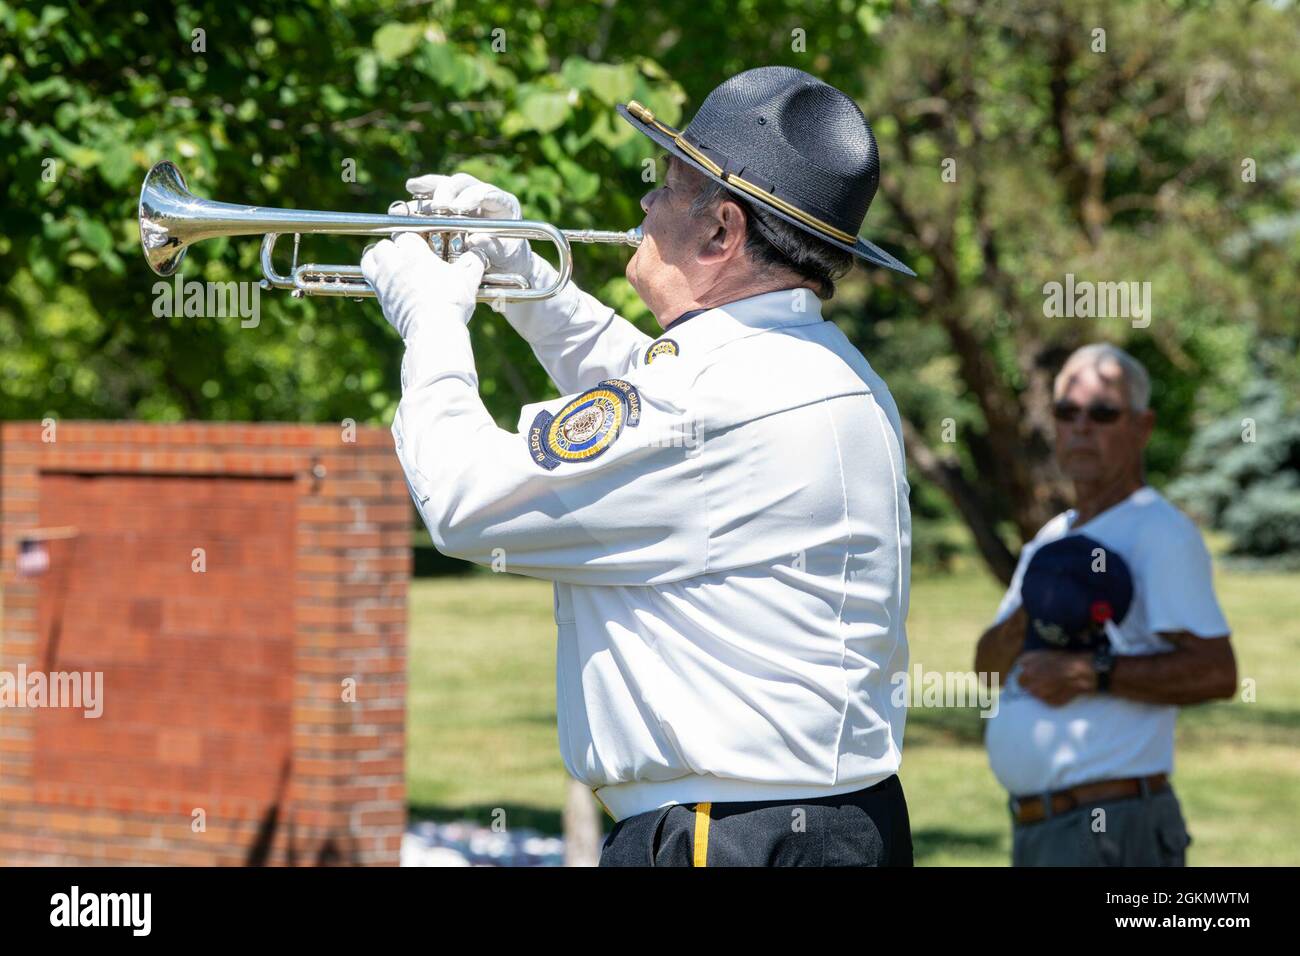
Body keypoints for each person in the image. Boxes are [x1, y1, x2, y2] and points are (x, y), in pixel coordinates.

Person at [362, 66, 916, 866]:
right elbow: (647, 400)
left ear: (722, 232)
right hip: (820, 822)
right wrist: (526, 278)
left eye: (666, 184)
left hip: (720, 837)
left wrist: (429, 323)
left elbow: (463, 503)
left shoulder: (712, 398)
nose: (646, 204)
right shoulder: (825, 369)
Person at [975, 343, 1238, 866]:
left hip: (1112, 830)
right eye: (1067, 412)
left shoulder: (1161, 533)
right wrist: (1040, 607)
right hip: (1039, 827)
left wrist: (1090, 672)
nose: (1081, 427)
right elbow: (986, 671)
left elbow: (1216, 672)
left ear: (1142, 427)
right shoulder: (1050, 540)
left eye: (1102, 413)